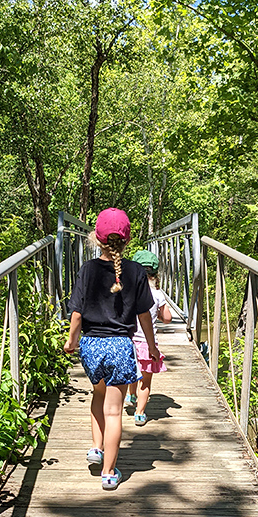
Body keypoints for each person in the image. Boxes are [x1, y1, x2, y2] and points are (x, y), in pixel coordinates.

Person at [64, 208, 160, 491]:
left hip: (92, 345)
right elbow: (144, 316)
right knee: (115, 411)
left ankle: (97, 447)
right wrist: (152, 347)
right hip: (120, 346)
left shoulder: (88, 269)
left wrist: (71, 341)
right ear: (127, 239)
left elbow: (78, 313)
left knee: (98, 395)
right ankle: (108, 472)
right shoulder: (135, 271)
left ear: (97, 238)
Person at [125, 249, 172, 426]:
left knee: (131, 372)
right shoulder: (158, 294)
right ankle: (139, 413)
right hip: (146, 344)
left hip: (128, 342)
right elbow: (167, 318)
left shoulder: (127, 292)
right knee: (145, 380)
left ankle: (130, 394)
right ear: (155, 274)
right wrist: (158, 315)